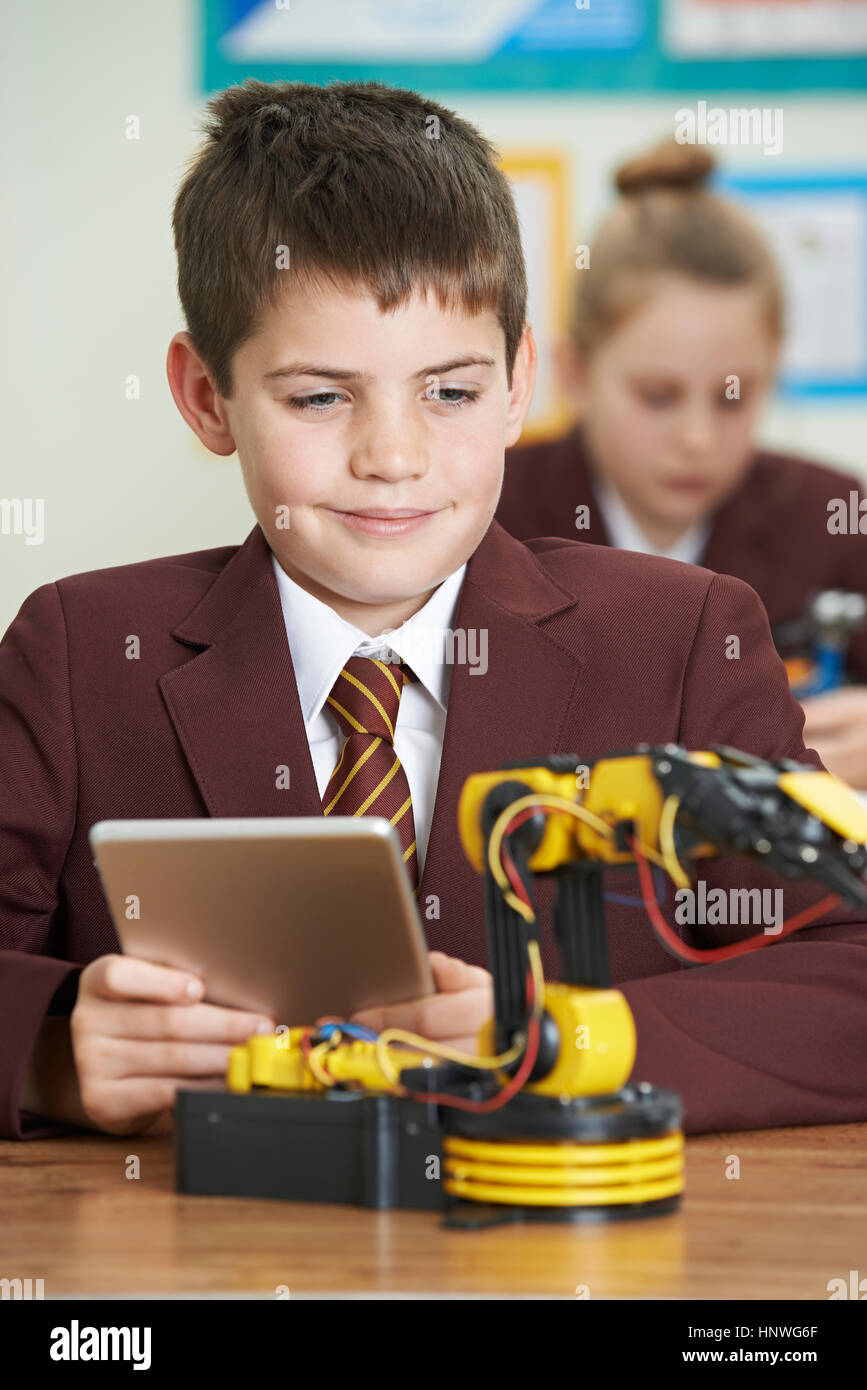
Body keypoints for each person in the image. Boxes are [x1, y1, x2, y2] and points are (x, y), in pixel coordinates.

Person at [2, 84, 865, 1144]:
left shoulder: (683, 640)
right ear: (206, 398)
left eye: (449, 393)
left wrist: (566, 1040)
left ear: (517, 384)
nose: (394, 457)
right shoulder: (78, 653)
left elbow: (849, 979)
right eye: (321, 397)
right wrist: (48, 1047)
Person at [496, 140, 867, 786]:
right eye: (657, 397)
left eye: (732, 398)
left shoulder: (836, 522)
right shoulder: (490, 511)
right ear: (574, 374)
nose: (695, 438)